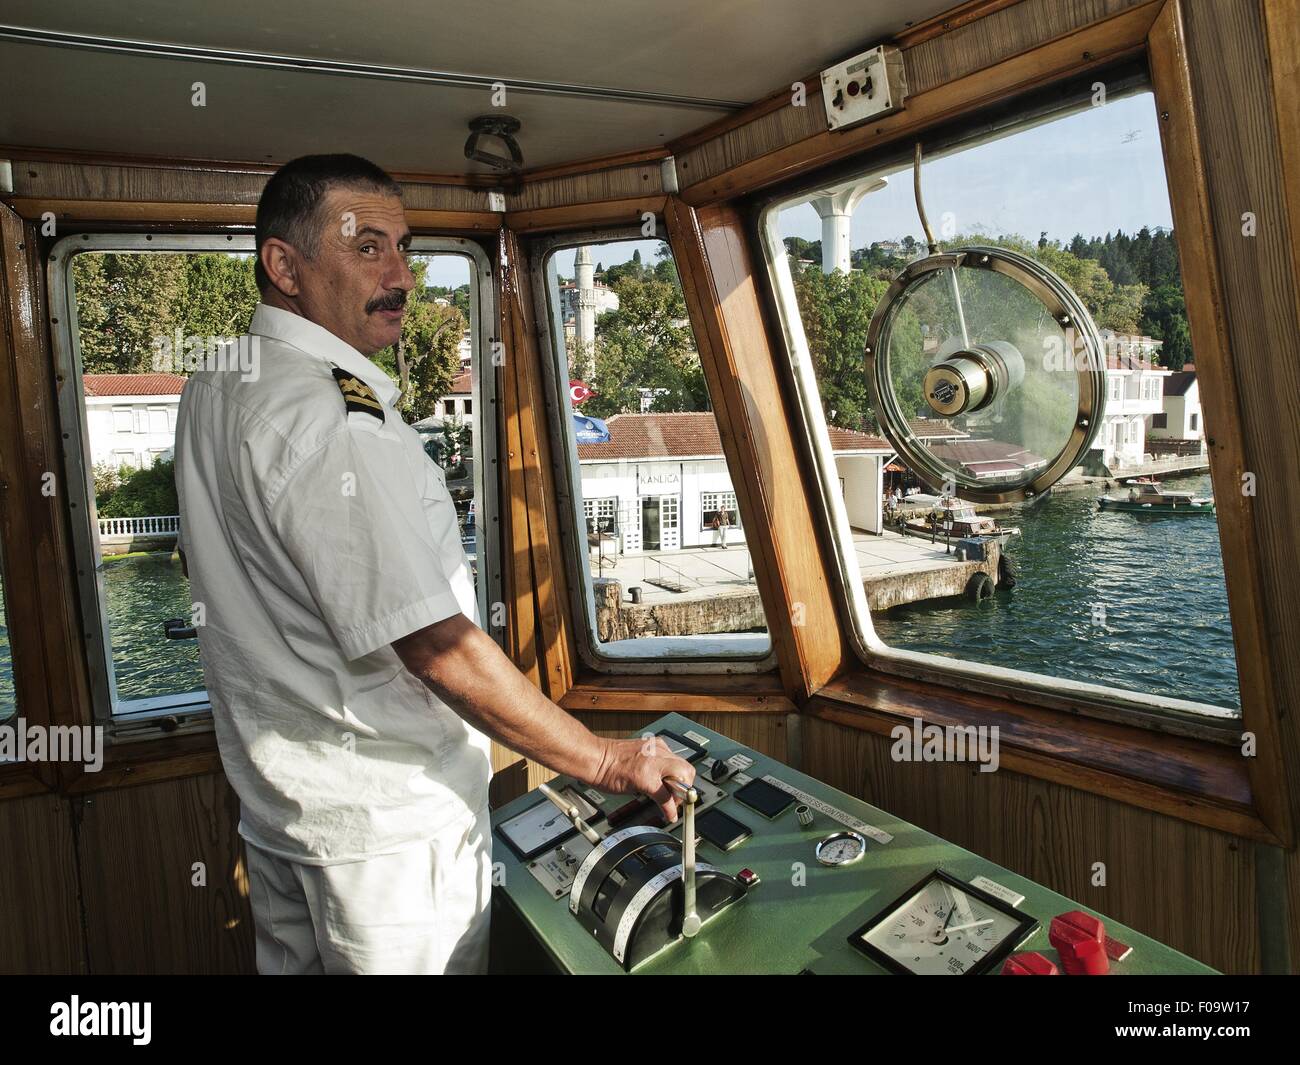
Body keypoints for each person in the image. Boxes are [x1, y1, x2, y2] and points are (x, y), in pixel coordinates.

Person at [173, 154, 693, 975]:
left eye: (403, 248)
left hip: (283, 819)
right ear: (284, 265)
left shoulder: (218, 378)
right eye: (366, 246)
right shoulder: (334, 419)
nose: (400, 276)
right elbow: (437, 646)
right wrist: (605, 758)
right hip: (388, 845)